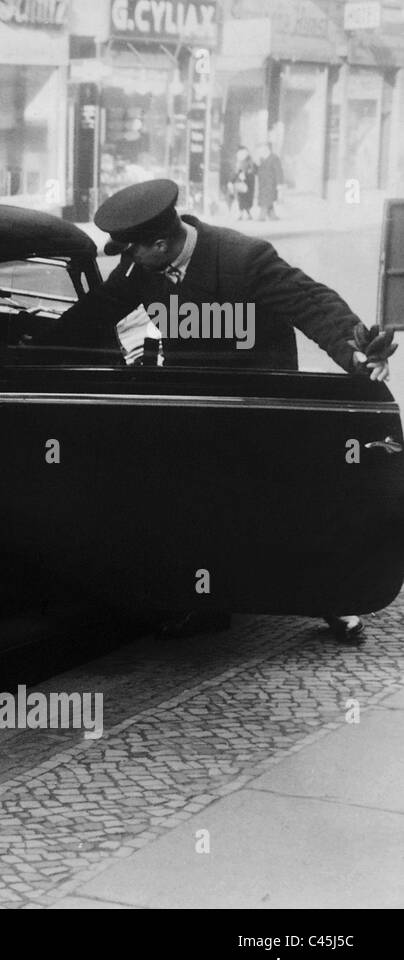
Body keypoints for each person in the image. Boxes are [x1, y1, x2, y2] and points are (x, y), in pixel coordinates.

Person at [60, 178, 396, 642]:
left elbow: (312, 303)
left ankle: (330, 597)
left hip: (258, 403)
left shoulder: (243, 258)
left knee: (286, 505)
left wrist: (354, 351)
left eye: (134, 249)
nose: (128, 259)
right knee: (198, 505)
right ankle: (205, 602)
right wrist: (30, 345)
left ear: (160, 243)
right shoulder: (141, 267)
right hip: (197, 403)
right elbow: (97, 312)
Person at [256, 143, 283, 221]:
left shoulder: (274, 158)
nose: (261, 151)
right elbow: (258, 171)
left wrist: (279, 183)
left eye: (263, 149)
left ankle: (262, 216)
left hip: (271, 183)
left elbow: (279, 171)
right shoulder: (261, 159)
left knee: (266, 199)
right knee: (267, 199)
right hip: (263, 183)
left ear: (267, 149)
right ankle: (272, 215)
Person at [229, 147, 257, 220]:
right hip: (242, 183)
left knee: (247, 199)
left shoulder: (249, 162)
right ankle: (243, 214)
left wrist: (246, 175)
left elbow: (253, 170)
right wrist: (232, 181)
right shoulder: (240, 162)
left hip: (248, 183)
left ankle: (247, 214)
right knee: (242, 199)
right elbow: (236, 173)